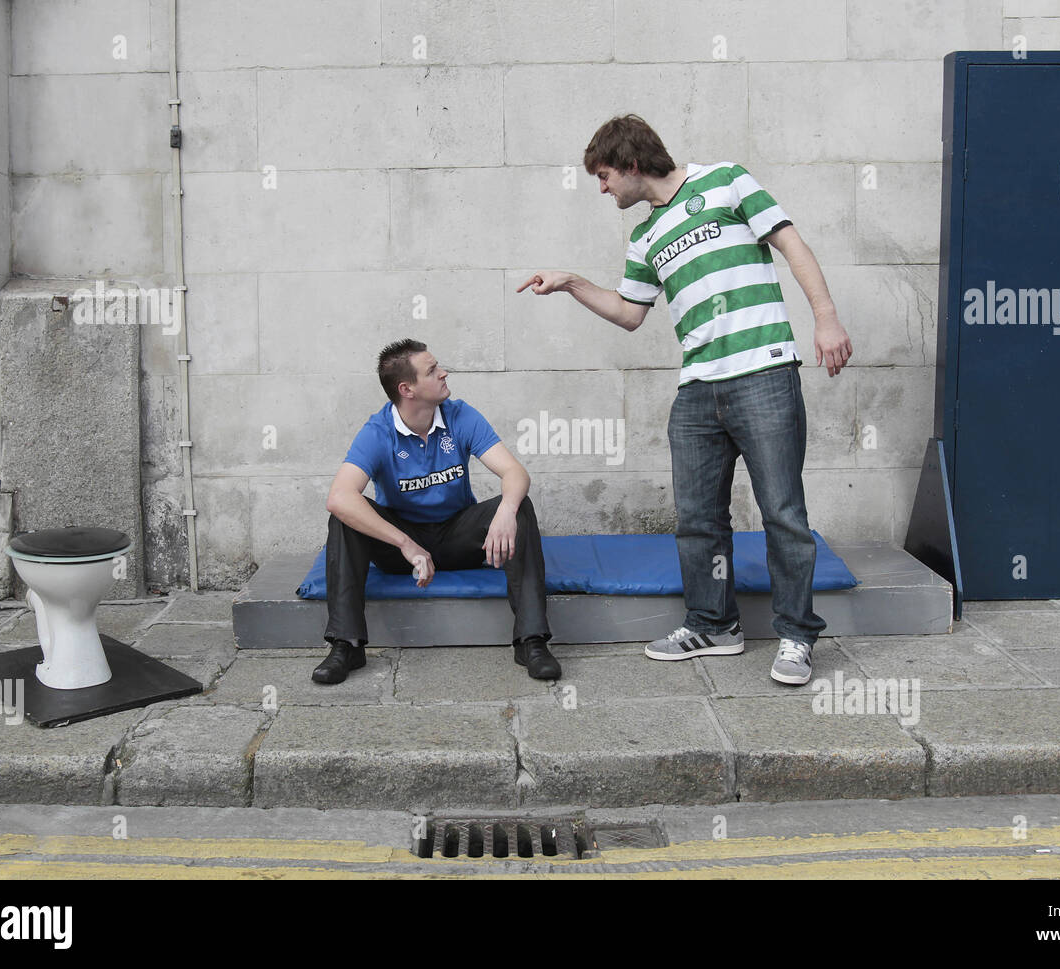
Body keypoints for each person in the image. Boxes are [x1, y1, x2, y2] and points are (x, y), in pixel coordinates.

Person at [518, 114, 852, 686]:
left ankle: (796, 635)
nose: (602, 190)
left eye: (603, 177)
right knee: (698, 520)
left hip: (764, 374)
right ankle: (714, 625)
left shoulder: (725, 180)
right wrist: (572, 282)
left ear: (628, 164)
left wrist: (825, 318)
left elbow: (791, 244)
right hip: (697, 391)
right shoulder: (644, 237)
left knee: (783, 514)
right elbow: (628, 313)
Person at [314, 339, 559, 683]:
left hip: (457, 537)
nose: (444, 373)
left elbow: (515, 473)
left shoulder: (460, 415)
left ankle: (531, 641)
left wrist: (505, 509)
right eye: (432, 371)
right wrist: (405, 543)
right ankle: (347, 645)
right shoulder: (378, 431)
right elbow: (339, 497)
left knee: (519, 507)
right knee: (344, 517)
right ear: (407, 389)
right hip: (404, 547)